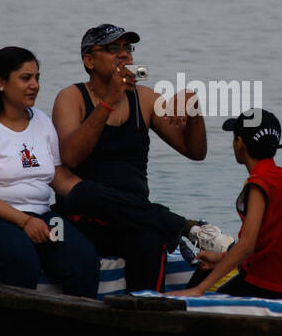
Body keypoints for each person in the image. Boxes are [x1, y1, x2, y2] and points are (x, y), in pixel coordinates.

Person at [52, 24, 208, 291]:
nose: (124, 55)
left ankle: (144, 315)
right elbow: (71, 157)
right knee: (106, 203)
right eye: (113, 48)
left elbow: (195, 152)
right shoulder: (71, 97)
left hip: (135, 217)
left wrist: (193, 108)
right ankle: (183, 226)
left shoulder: (145, 99)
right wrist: (109, 101)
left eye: (127, 48)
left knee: (151, 240)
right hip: (85, 217)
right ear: (89, 60)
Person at [0, 47, 99, 298]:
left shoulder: (41, 121)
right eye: (26, 78)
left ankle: (75, 331)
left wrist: (98, 196)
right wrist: (23, 221)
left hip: (40, 216)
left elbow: (58, 176)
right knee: (20, 255)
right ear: (1, 82)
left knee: (83, 258)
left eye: (37, 77)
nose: (35, 85)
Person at [182, 109, 282, 298]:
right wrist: (220, 259)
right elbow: (272, 240)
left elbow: (247, 246)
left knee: (207, 286)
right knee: (209, 271)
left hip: (271, 283)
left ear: (240, 143)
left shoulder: (258, 184)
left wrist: (199, 289)